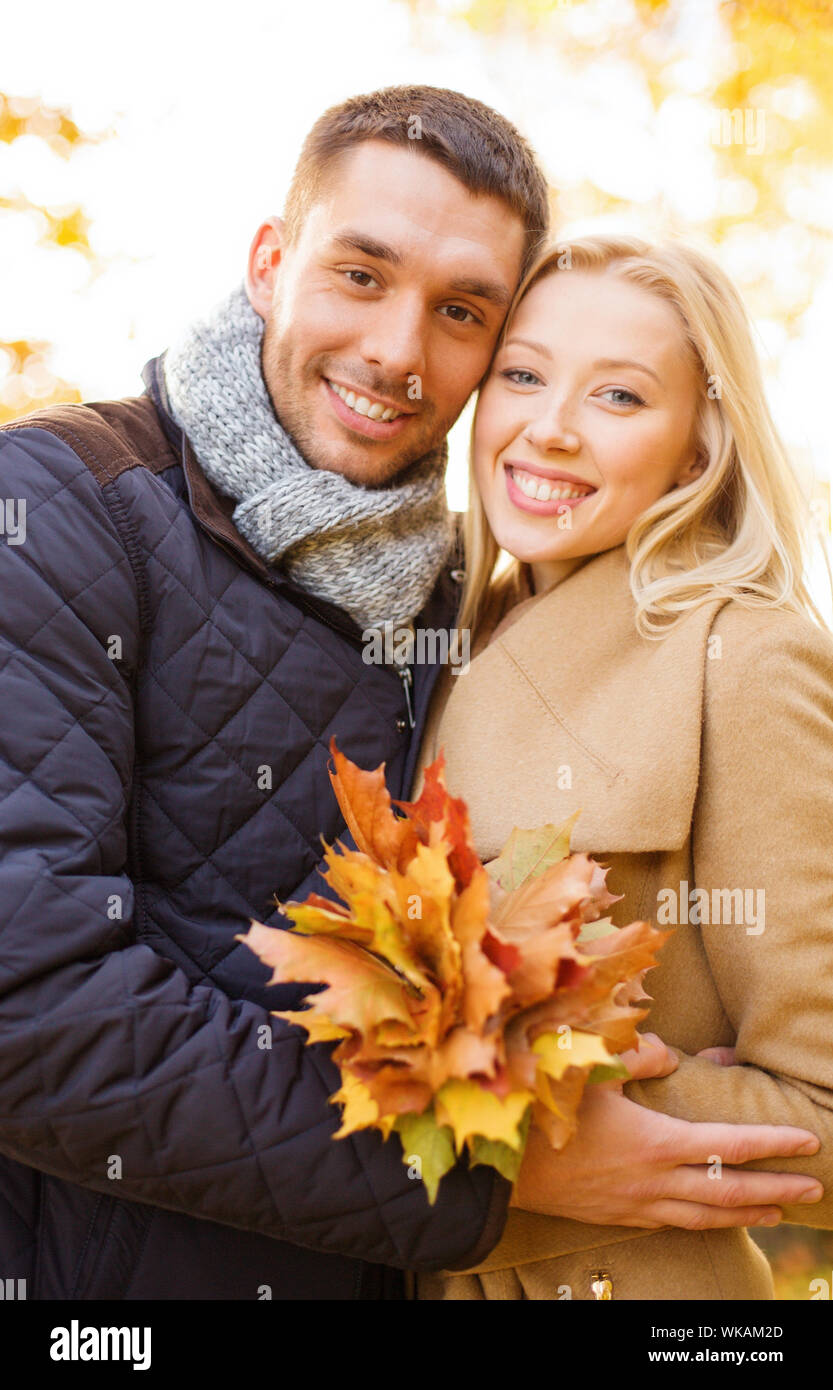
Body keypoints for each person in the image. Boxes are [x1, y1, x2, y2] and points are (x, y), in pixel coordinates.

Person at [0, 85, 819, 1301]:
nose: (395, 352)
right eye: (360, 274)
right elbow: (34, 1005)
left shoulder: (454, 601)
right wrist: (484, 1157)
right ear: (271, 263)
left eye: (460, 312)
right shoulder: (62, 510)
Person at [411, 233, 833, 1300]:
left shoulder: (740, 658)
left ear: (696, 448)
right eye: (522, 374)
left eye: (617, 396)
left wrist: (530, 1118)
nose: (547, 428)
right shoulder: (432, 637)